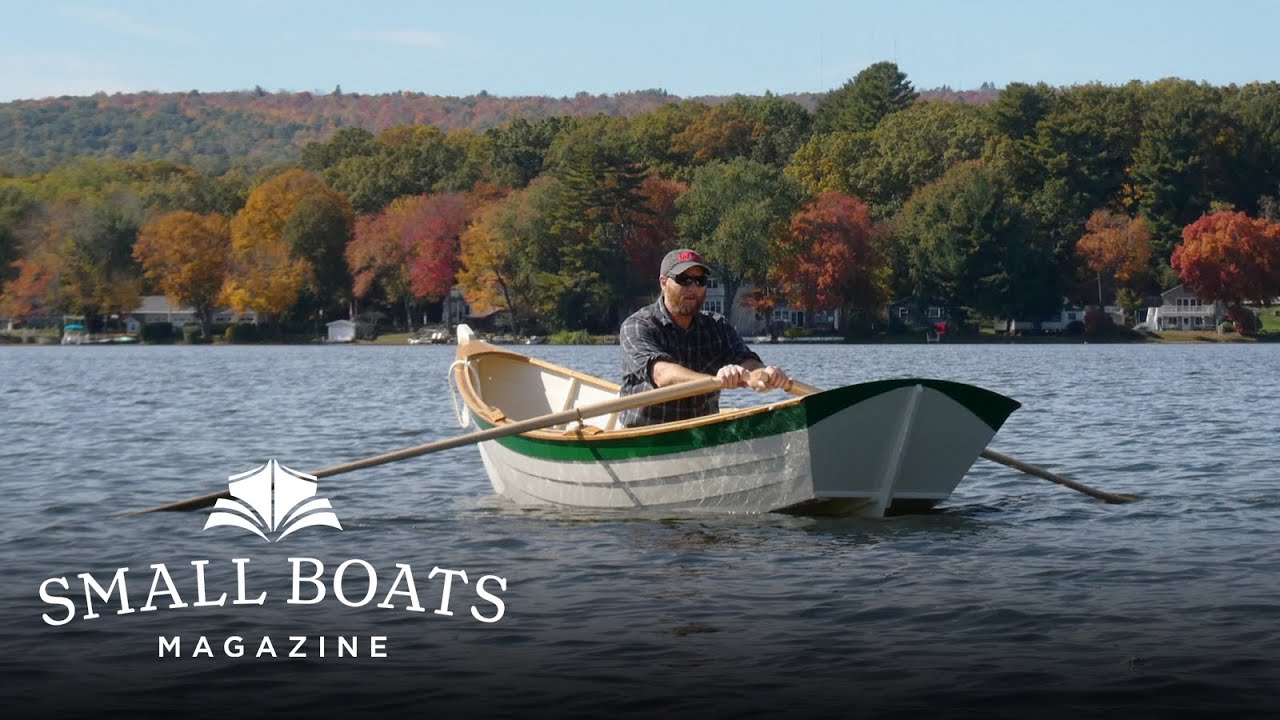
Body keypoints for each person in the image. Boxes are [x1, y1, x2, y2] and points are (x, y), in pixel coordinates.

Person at [618, 248, 790, 427]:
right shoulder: (637, 326)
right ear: (663, 283)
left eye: (700, 281)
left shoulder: (717, 326)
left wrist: (762, 376)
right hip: (647, 436)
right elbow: (662, 375)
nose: (693, 288)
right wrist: (716, 381)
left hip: (703, 434)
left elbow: (746, 361)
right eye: (684, 280)